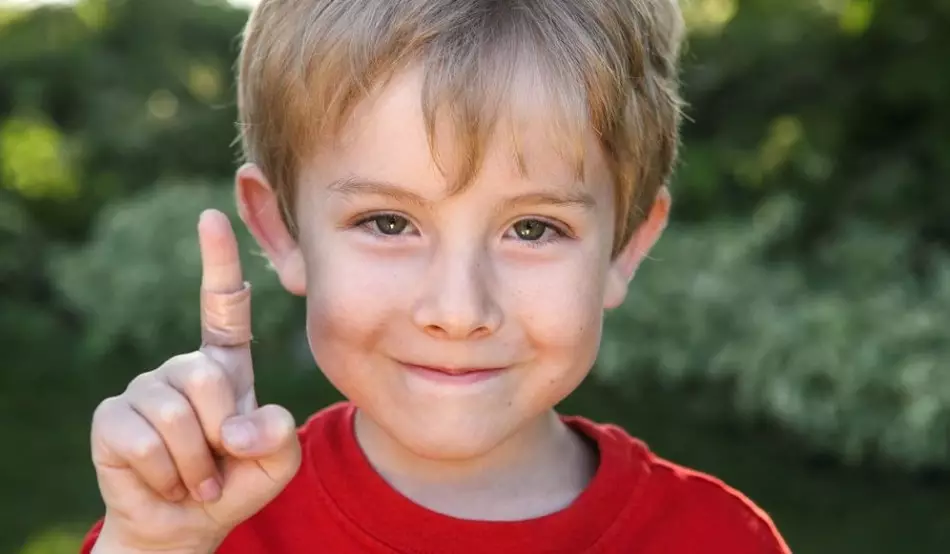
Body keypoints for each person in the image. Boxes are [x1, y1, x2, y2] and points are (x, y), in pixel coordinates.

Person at [82, 0, 792, 552]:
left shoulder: (722, 541)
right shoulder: (201, 527)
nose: (458, 311)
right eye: (388, 223)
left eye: (534, 229)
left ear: (625, 247)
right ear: (281, 229)